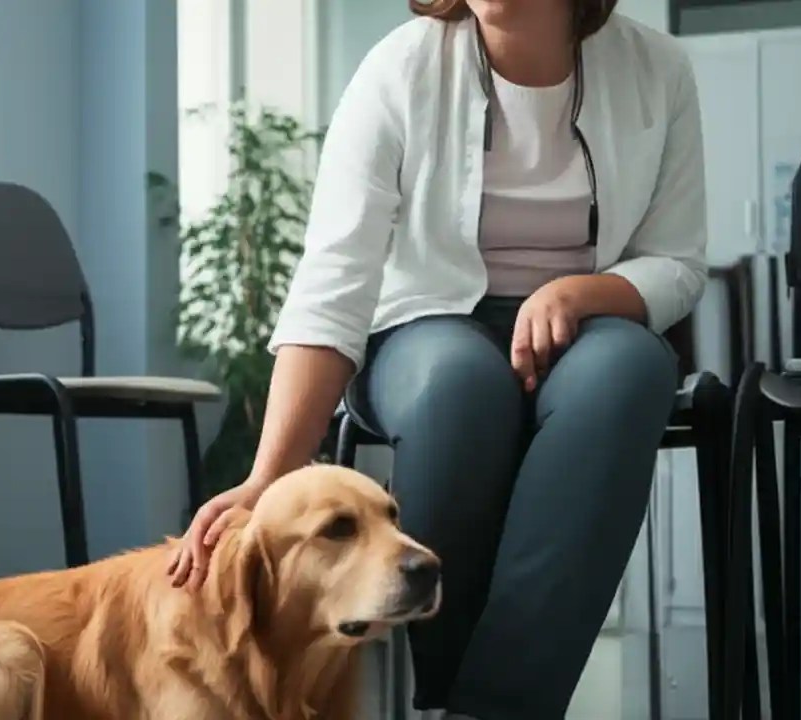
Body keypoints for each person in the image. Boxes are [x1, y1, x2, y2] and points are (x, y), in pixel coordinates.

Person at [169, 0, 706, 716]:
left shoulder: (659, 69)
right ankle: (450, 693)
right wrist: (266, 478)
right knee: (460, 386)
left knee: (630, 372)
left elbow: (676, 260)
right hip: (423, 329)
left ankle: (493, 707)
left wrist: (584, 292)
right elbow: (334, 288)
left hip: (589, 326)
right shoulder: (400, 67)